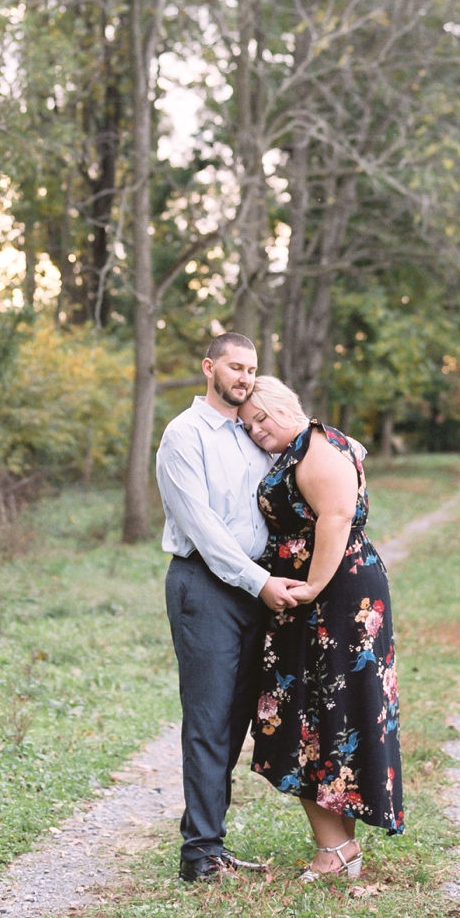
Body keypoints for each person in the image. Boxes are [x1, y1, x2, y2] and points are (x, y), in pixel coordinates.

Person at [239, 376, 404, 880]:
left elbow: (335, 517)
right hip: (314, 600)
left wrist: (311, 587)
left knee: (328, 719)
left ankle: (334, 851)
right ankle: (337, 848)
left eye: (263, 418)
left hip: (333, 599)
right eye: (248, 426)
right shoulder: (311, 444)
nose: (257, 431)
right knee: (311, 721)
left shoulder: (315, 450)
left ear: (287, 406)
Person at [155, 334, 305, 883]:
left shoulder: (251, 434)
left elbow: (302, 454)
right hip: (206, 585)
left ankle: (210, 846)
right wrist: (261, 582)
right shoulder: (183, 435)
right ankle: (199, 854)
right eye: (235, 367)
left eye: (252, 369)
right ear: (208, 368)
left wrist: (344, 448)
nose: (244, 377)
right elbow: (206, 531)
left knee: (239, 720)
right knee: (210, 721)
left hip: (256, 587)